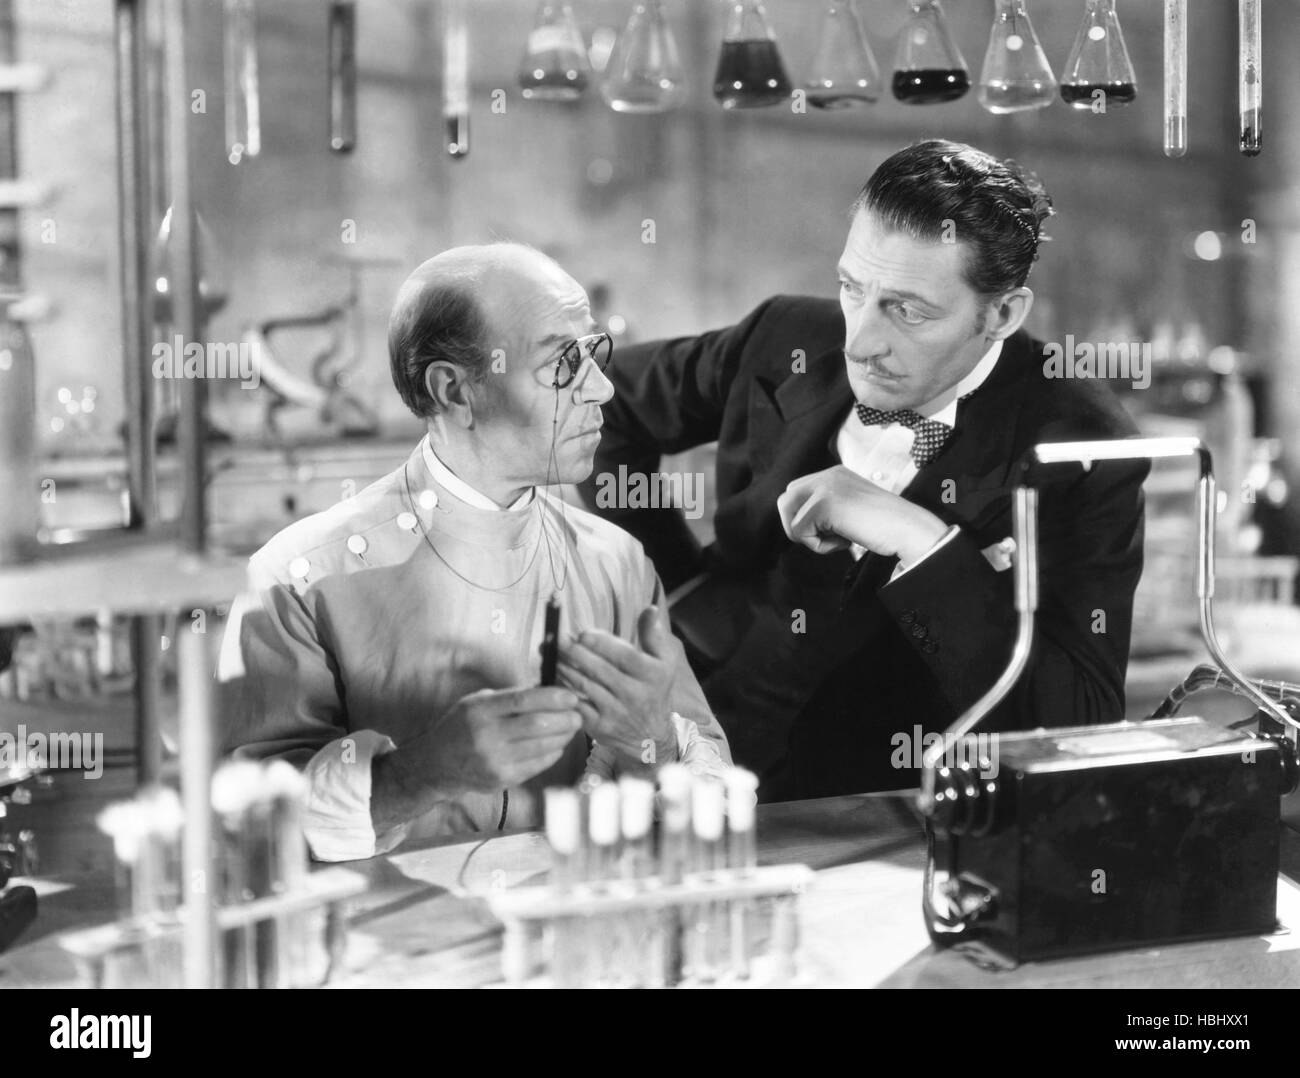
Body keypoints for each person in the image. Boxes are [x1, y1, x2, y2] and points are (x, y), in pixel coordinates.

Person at [580, 139, 1148, 800]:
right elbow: (605, 399)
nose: (861, 342)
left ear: (1001, 314)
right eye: (853, 289)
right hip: (699, 766)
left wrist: (921, 540)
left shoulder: (1084, 443)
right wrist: (675, 591)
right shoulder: (782, 337)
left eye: (909, 310)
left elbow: (1079, 720)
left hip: (893, 809)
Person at [218, 243, 730, 861]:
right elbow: (250, 828)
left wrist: (653, 748)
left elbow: (719, 805)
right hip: (386, 951)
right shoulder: (300, 577)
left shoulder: (617, 562)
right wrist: (421, 774)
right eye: (563, 364)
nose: (601, 389)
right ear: (455, 391)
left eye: (593, 352)